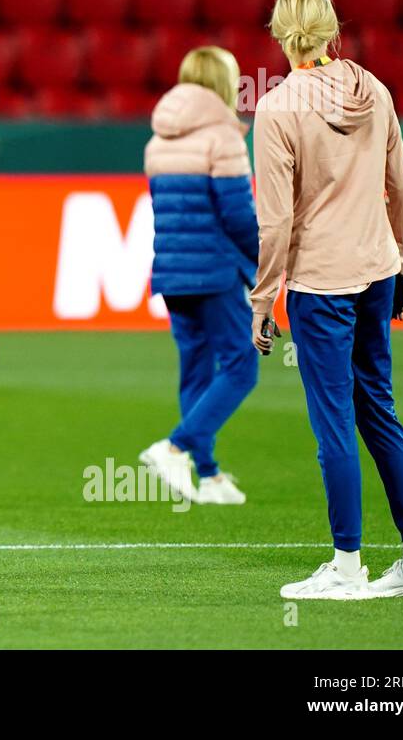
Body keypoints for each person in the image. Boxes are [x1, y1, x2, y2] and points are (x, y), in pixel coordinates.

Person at [252, 0, 403, 600]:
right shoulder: (375, 91)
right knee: (379, 411)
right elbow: (402, 190)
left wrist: (262, 299)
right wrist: (395, 258)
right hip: (376, 271)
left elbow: (276, 222)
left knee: (333, 422)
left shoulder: (277, 109)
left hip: (321, 282)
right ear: (332, 29)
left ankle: (346, 566)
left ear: (280, 34)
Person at [140, 47, 259, 506]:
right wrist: (266, 259)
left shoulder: (158, 140)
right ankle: (174, 448)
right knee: (241, 366)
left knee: (196, 369)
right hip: (215, 270)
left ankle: (208, 475)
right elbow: (238, 216)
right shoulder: (223, 138)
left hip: (172, 271)